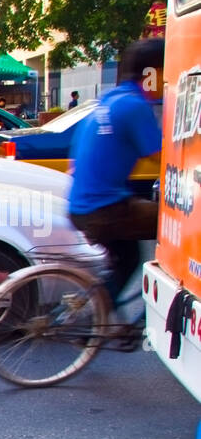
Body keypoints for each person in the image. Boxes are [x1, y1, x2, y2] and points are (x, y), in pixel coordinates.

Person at [68, 39, 164, 314]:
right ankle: (92, 321)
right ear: (152, 73)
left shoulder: (108, 101)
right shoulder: (135, 106)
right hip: (105, 209)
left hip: (82, 206)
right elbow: (163, 157)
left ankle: (92, 310)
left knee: (124, 260)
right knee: (169, 224)